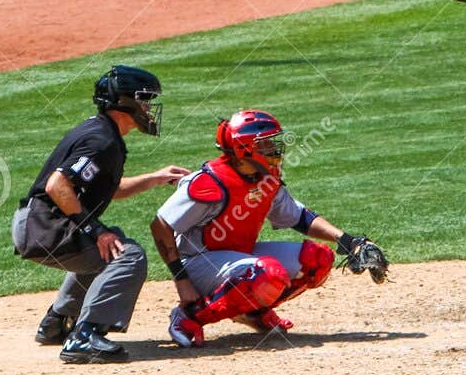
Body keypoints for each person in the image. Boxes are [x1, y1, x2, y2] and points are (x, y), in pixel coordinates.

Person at [153, 110, 388, 347]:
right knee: (266, 273)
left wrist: (347, 241)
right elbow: (160, 225)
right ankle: (189, 317)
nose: (273, 148)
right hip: (196, 263)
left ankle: (252, 313)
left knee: (317, 260)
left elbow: (299, 218)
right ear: (244, 148)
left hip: (235, 257)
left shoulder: (264, 177)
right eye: (264, 144)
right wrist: (181, 281)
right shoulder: (209, 183)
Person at [12, 67, 187, 364]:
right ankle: (84, 336)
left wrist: (155, 178)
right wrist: (94, 230)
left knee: (111, 243)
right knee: (127, 255)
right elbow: (58, 185)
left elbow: (112, 189)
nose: (148, 108)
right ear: (124, 101)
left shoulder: (103, 132)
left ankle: (57, 322)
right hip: (44, 226)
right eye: (144, 100)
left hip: (37, 222)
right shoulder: (101, 141)